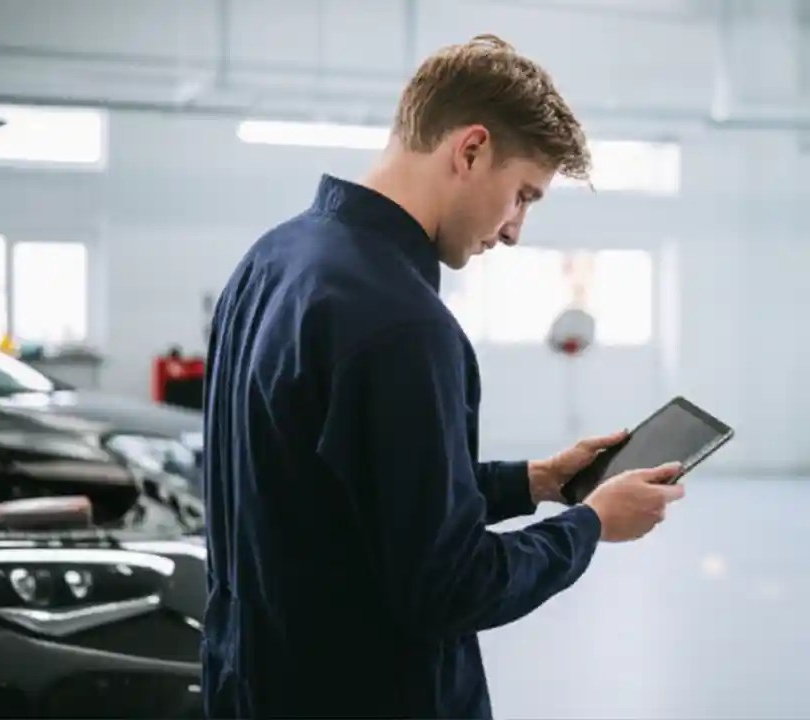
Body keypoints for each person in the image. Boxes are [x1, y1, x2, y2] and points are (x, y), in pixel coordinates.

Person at [200, 34, 687, 719]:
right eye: (522, 196)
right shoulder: (403, 323)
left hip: (257, 683)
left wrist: (536, 481)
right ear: (470, 150)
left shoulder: (272, 261)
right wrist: (590, 524)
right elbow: (450, 585)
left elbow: (350, 497)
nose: (514, 230)